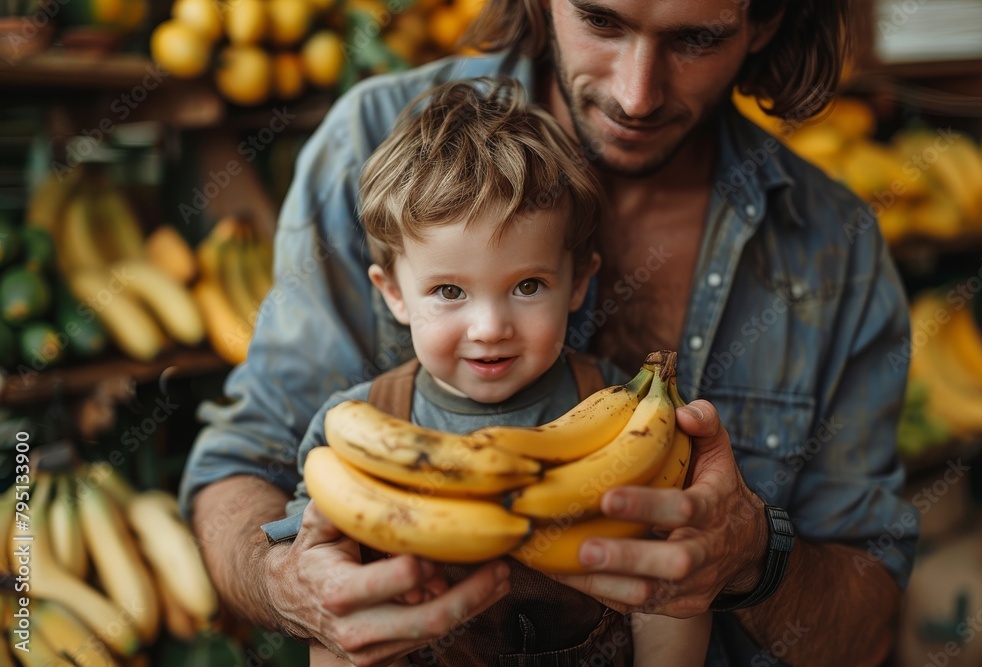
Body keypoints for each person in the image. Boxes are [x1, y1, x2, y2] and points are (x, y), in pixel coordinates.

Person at [180, 0, 918, 665]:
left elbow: (868, 618)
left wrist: (757, 559)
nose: (637, 93)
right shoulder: (370, 144)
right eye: (601, 19)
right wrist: (290, 586)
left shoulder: (834, 247)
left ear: (766, 22)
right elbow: (242, 463)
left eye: (696, 38)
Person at [287, 76, 711, 666]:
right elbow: (332, 619)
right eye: (449, 290)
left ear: (579, 281)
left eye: (528, 285)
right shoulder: (356, 437)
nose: (490, 327)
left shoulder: (632, 431)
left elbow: (669, 599)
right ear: (394, 294)